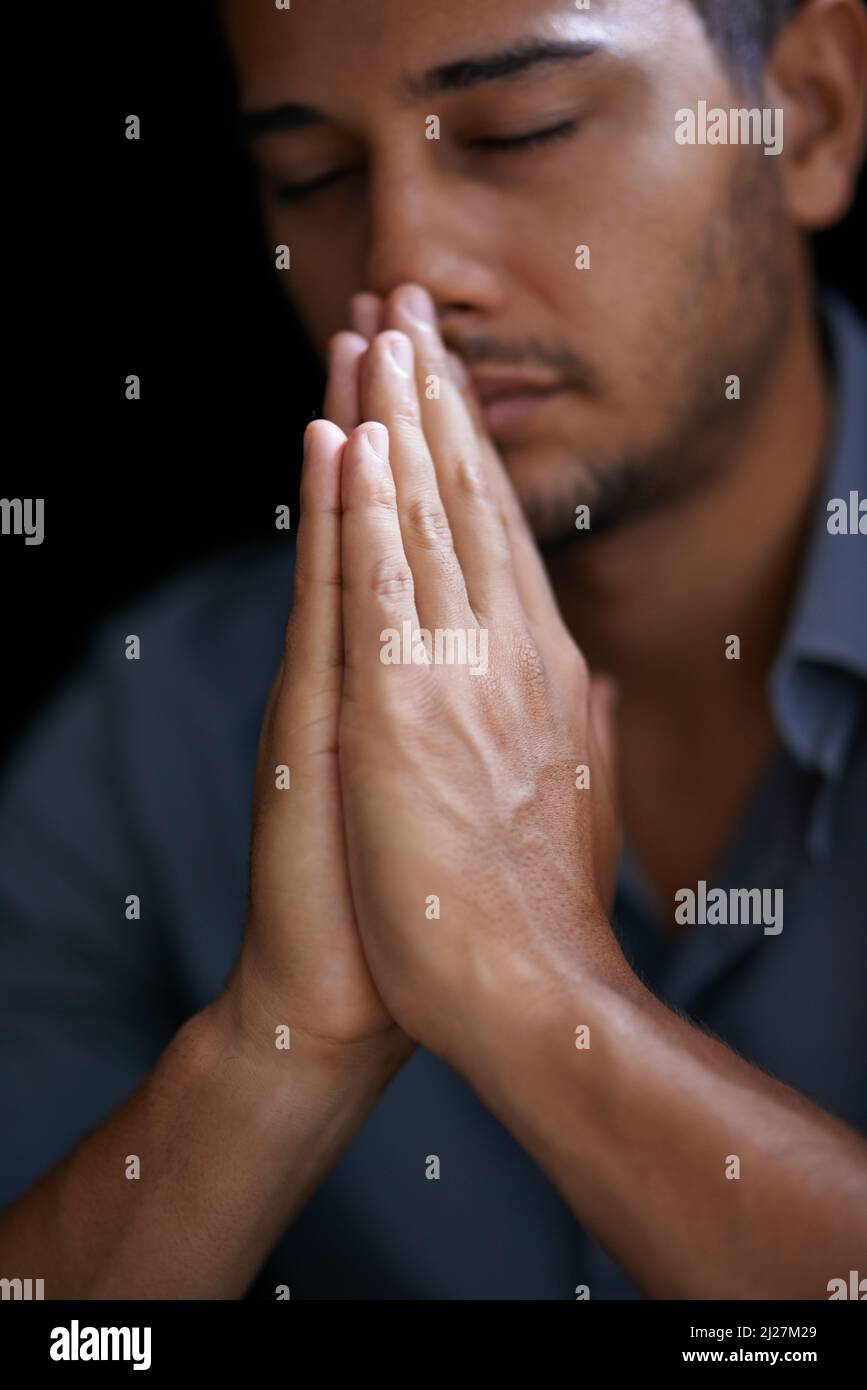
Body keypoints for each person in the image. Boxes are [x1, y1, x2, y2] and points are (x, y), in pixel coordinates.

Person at [1, 0, 866, 1300]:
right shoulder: (150, 736)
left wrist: (523, 984)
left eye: (522, 131)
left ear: (809, 114)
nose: (405, 273)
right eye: (314, 177)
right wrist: (275, 1051)